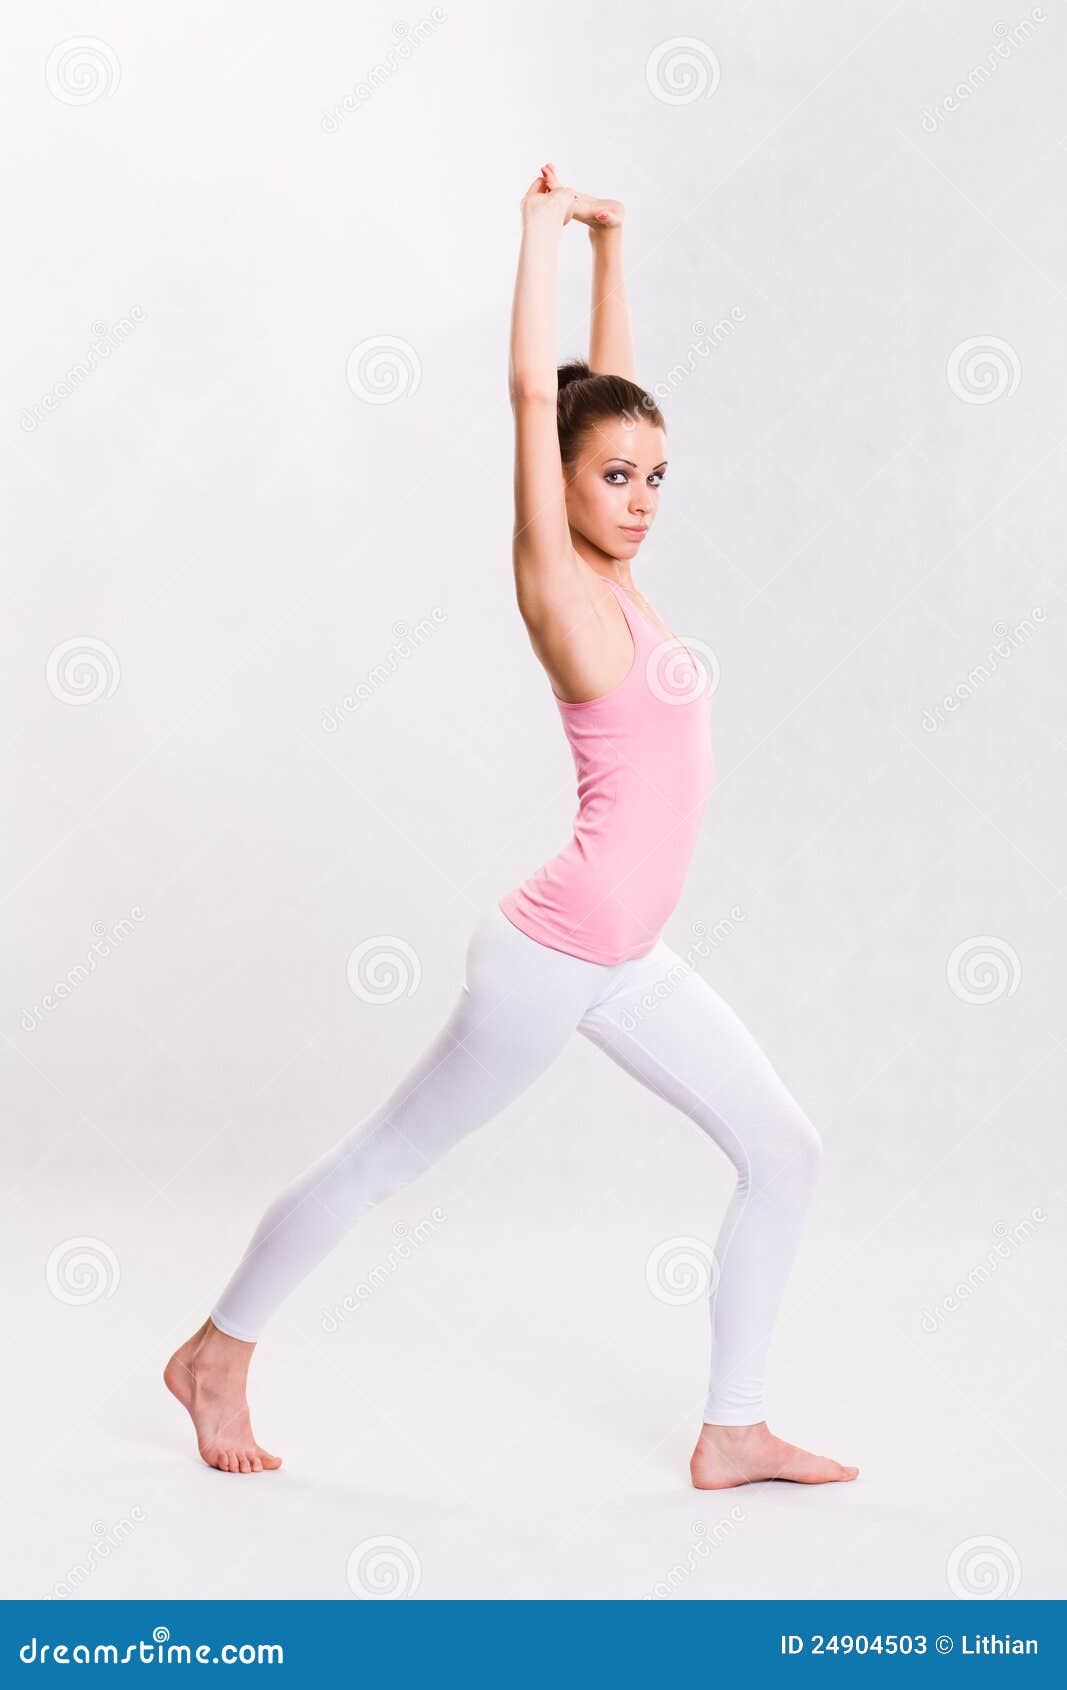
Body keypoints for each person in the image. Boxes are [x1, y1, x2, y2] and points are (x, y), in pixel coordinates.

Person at [165, 165, 859, 1490]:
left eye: (657, 476)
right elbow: (540, 402)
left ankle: (732, 1428)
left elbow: (604, 395)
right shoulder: (560, 585)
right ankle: (218, 1348)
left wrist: (614, 246)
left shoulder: (624, 579)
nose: (642, 496)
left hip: (629, 958)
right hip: (548, 957)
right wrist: (539, 232)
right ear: (561, 486)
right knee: (390, 1157)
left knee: (785, 1149)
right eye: (616, 478)